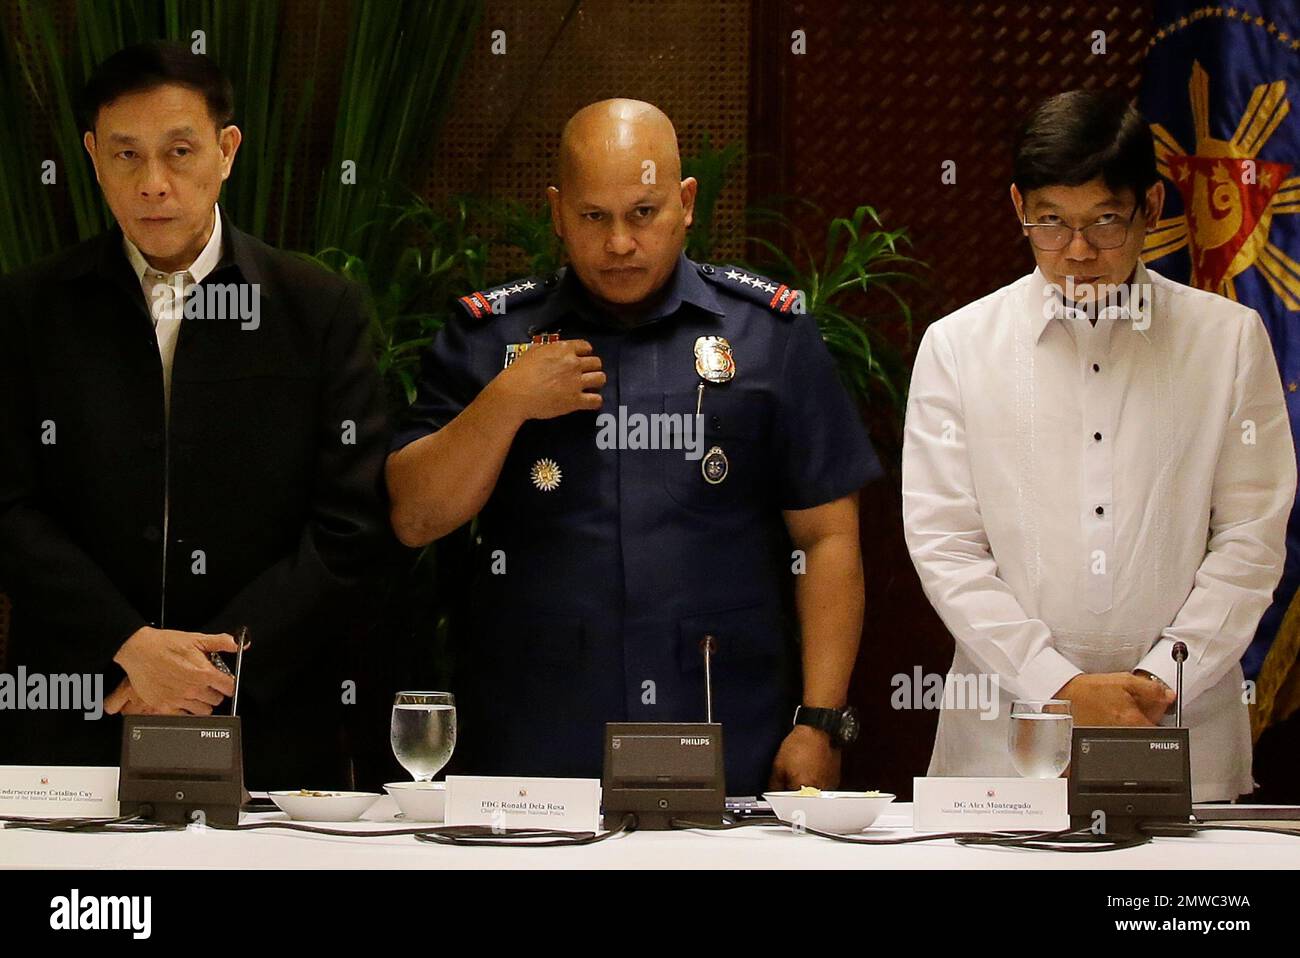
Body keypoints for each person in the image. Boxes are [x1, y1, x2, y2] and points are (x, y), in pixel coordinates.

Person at [386, 99, 881, 795]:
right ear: (557, 213)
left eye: (642, 212)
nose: (619, 242)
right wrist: (504, 403)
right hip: (534, 740)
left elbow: (828, 535)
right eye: (594, 217)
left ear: (685, 203)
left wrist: (822, 720)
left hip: (723, 728)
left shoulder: (769, 335)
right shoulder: (489, 336)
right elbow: (414, 516)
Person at [0, 42, 389, 788]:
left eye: (180, 152)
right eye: (126, 156)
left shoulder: (316, 308)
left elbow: (349, 525)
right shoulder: (28, 310)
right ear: (91, 156)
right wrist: (128, 644)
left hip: (264, 714)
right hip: (82, 709)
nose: (154, 184)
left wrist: (203, 672)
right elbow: (7, 506)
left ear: (227, 149)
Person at [902, 89, 1296, 801]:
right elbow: (947, 548)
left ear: (1151, 206)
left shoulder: (1228, 342)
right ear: (1018, 206)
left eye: (1104, 222)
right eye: (1050, 222)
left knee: (1171, 917)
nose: (1077, 252)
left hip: (1180, 732)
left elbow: (1251, 539)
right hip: (1002, 747)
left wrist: (1157, 682)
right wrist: (1060, 686)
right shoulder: (957, 348)